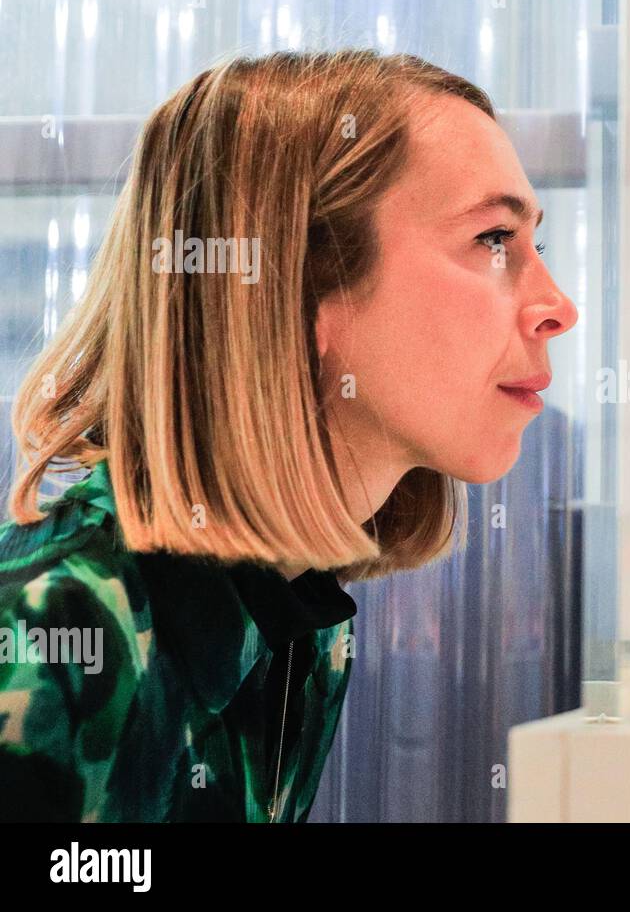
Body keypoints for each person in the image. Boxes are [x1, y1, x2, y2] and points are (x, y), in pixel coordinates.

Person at [0, 50, 578, 822]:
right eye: (494, 240)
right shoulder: (46, 643)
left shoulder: (300, 622)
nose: (557, 306)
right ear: (299, 285)